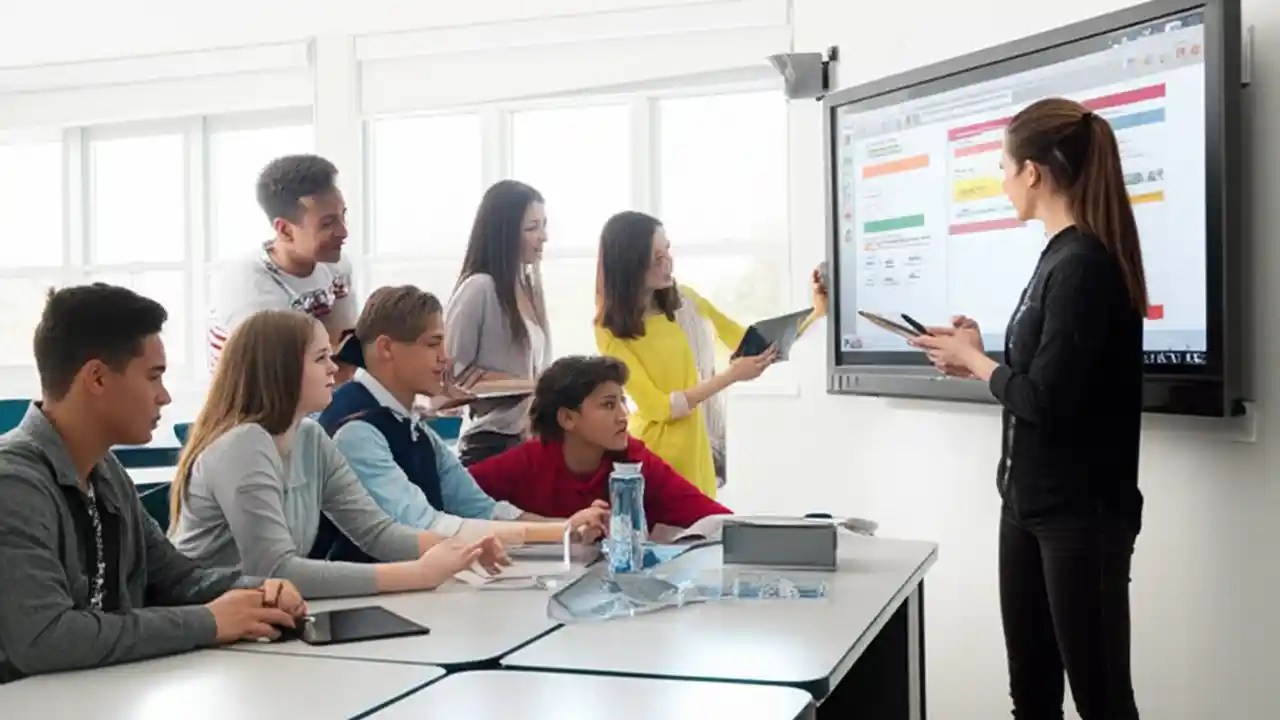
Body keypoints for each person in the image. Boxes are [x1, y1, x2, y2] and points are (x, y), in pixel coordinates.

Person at [908, 98, 1146, 720]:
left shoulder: (1085, 265)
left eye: (1004, 166)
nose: (1001, 180)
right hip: (1026, 505)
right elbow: (1040, 376)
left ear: (1034, 172)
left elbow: (1048, 401)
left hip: (1080, 518)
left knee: (1102, 702)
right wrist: (975, 357)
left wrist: (979, 362)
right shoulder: (1055, 257)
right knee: (1032, 697)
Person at [0, 284, 306, 684]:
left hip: (100, 694)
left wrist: (259, 592)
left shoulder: (104, 470)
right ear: (96, 378)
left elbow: (177, 580)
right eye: (153, 376)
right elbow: (45, 638)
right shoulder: (14, 484)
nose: (164, 396)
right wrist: (209, 623)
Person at [169, 310, 509, 600]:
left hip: (255, 623)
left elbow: (376, 532)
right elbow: (274, 570)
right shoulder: (243, 445)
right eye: (320, 358)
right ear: (280, 370)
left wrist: (461, 548)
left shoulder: (310, 436)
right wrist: (419, 574)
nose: (334, 368)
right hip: (203, 624)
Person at [318, 285, 609, 557]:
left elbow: (480, 510)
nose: (445, 359)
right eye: (433, 344)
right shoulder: (355, 429)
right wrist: (562, 530)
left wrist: (570, 529)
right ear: (386, 348)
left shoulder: (410, 426)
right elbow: (424, 525)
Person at [593, 211, 827, 498]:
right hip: (657, 457)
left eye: (667, 250)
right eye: (656, 257)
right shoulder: (609, 329)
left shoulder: (686, 302)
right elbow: (659, 407)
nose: (668, 261)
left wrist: (816, 312)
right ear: (631, 264)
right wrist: (730, 377)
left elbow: (754, 342)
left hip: (699, 449)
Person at [470, 355, 730, 539]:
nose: (623, 415)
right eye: (608, 405)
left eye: (622, 402)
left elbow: (716, 520)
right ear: (567, 418)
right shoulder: (524, 463)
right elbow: (451, 501)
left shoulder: (635, 461)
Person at [207, 154, 357, 380]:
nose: (344, 232)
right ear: (285, 230)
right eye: (327, 223)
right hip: (255, 409)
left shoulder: (335, 266)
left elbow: (348, 349)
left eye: (342, 216)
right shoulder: (246, 283)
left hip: (314, 403)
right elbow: (286, 376)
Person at [445, 180, 552, 465]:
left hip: (527, 439)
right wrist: (532, 386)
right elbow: (452, 374)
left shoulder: (527, 288)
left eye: (544, 225)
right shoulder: (479, 288)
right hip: (490, 444)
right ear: (504, 233)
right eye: (532, 228)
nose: (543, 237)